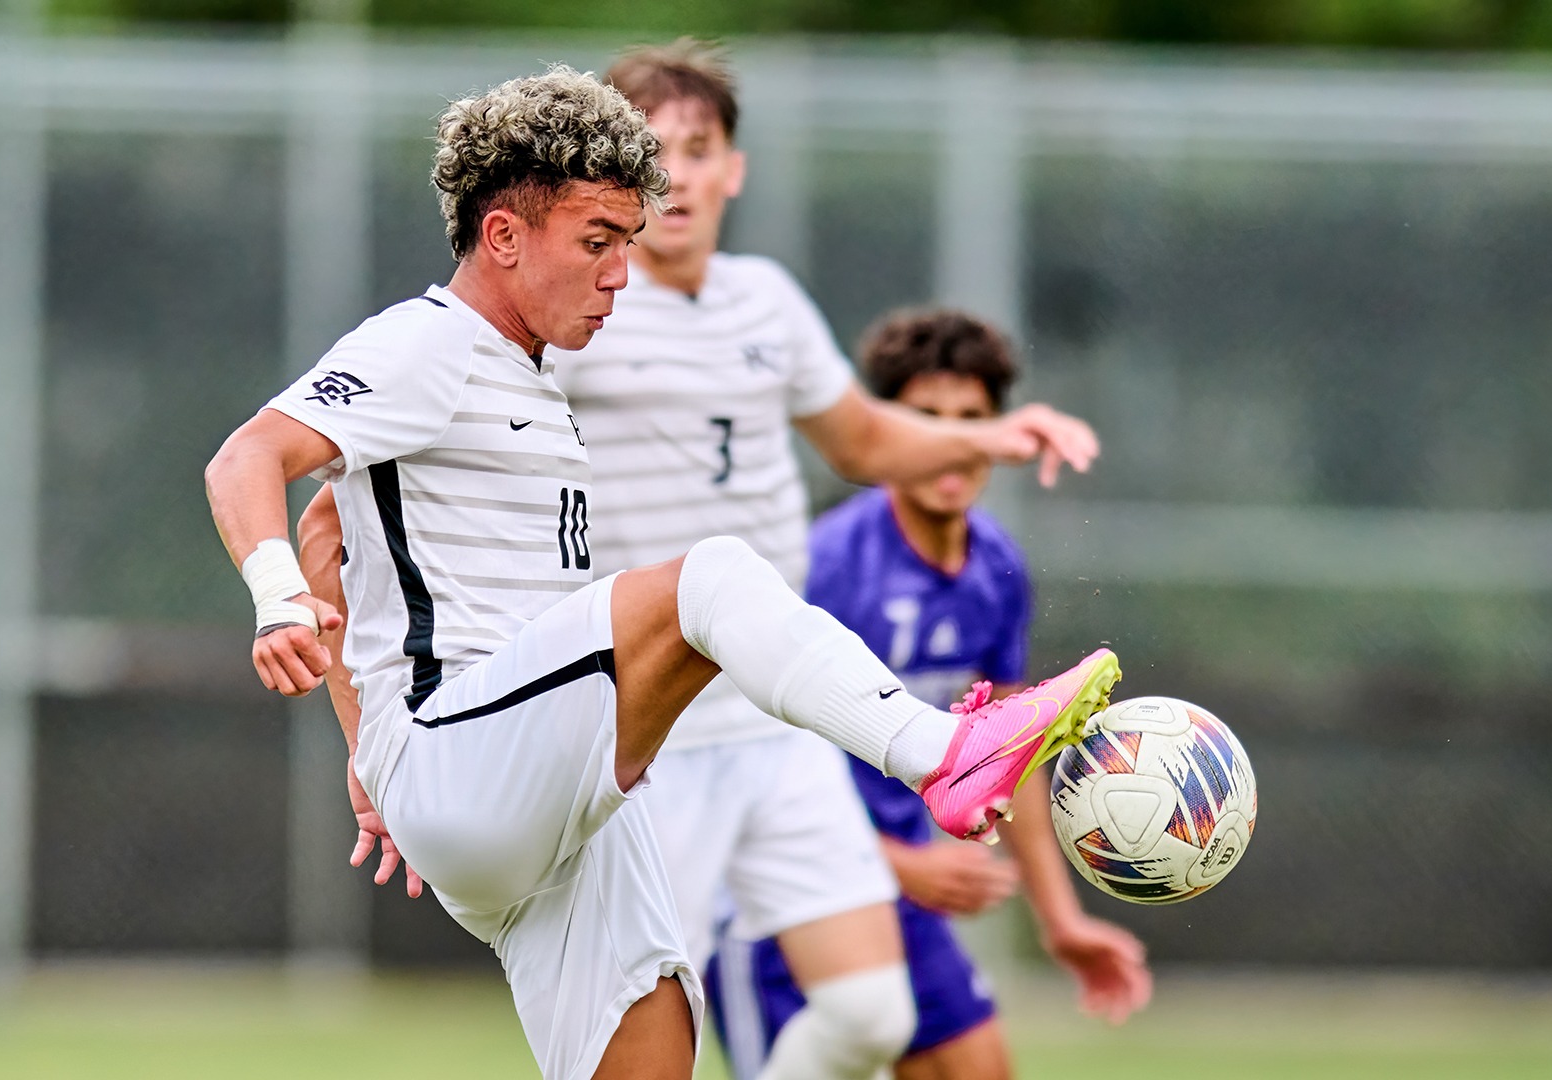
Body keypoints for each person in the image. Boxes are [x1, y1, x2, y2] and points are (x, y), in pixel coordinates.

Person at [205, 67, 1116, 1080]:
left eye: (628, 246)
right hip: (474, 759)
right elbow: (247, 459)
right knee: (713, 577)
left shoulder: (534, 376)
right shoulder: (428, 344)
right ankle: (944, 752)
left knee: (655, 1051)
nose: (619, 276)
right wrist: (278, 603)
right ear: (504, 236)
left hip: (536, 793)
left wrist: (365, 757)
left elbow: (339, 542)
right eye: (597, 243)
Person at [707, 310, 1153, 1080]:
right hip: (784, 897)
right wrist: (893, 865)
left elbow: (1019, 753)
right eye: (925, 420)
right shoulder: (829, 566)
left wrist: (1061, 921)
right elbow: (739, 755)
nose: (951, 442)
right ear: (886, 431)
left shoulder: (995, 568)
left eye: (971, 421)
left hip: (899, 899)